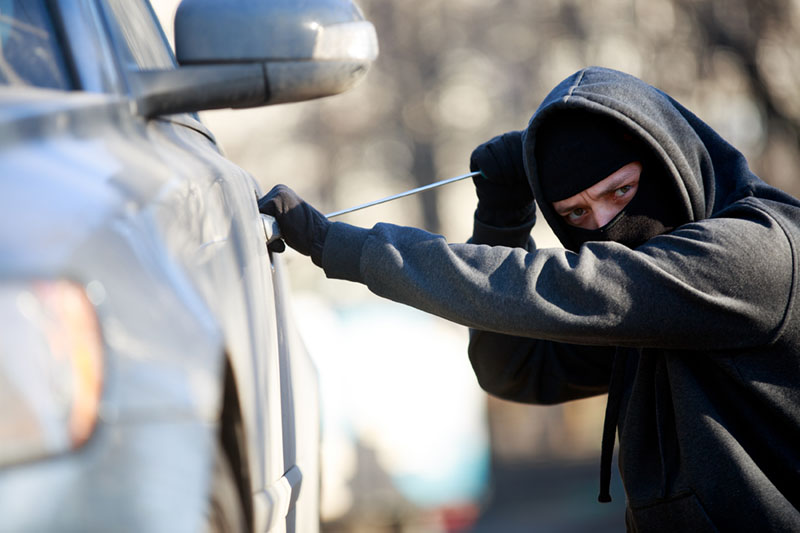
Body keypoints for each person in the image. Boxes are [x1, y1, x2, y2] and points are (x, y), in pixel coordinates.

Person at [259, 66, 800, 531]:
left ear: (668, 159)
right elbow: (515, 370)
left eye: (621, 191)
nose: (606, 225)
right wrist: (502, 216)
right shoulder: (655, 306)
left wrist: (343, 246)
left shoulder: (755, 255)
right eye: (575, 215)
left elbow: (557, 284)